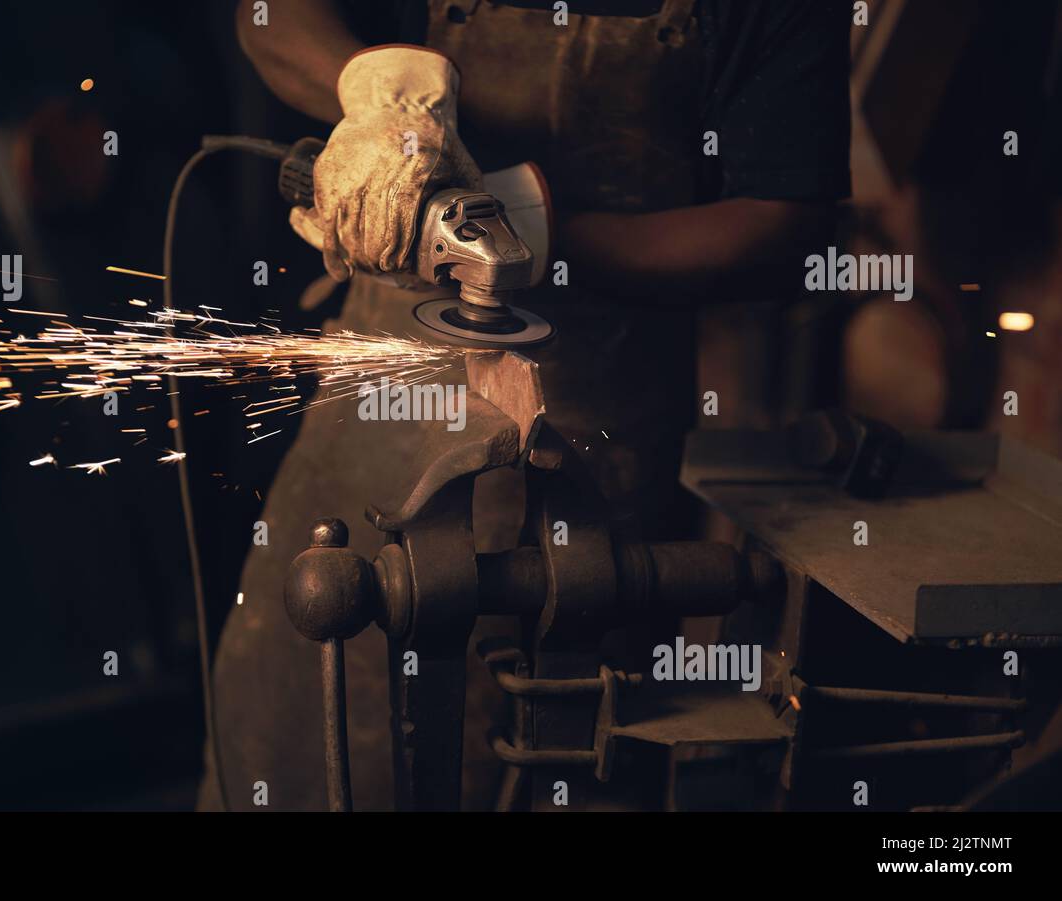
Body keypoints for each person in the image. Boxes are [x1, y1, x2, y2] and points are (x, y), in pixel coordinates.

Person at [199, 0, 851, 811]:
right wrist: (374, 97)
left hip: (600, 436)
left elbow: (785, 218)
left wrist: (549, 237)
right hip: (376, 392)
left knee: (560, 760)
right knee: (294, 728)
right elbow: (271, 17)